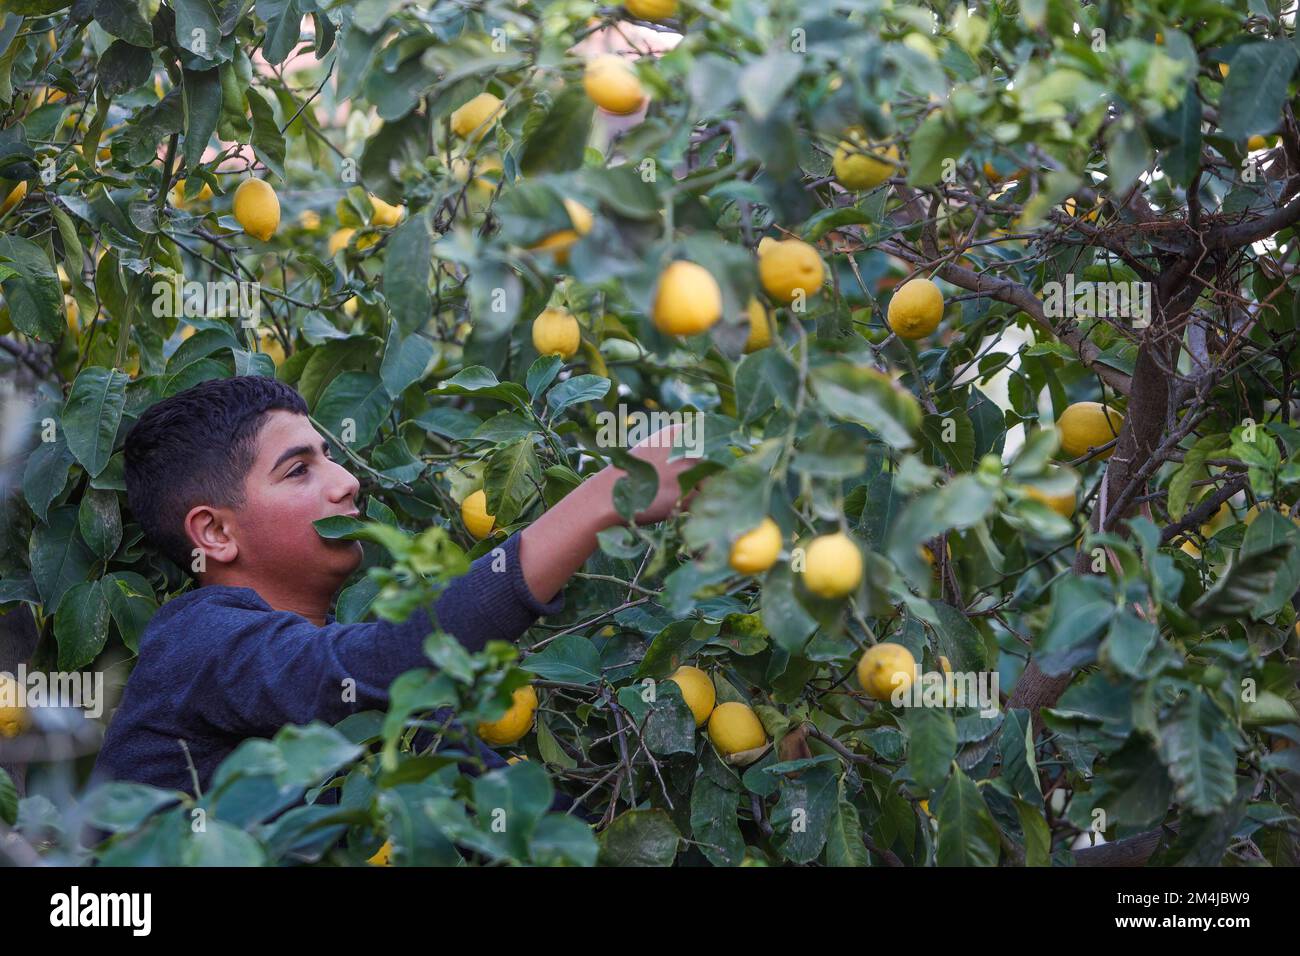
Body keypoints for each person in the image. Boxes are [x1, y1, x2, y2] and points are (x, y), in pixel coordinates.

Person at [91, 375, 695, 800]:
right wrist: (603, 498)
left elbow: (524, 825)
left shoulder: (383, 707)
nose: (348, 482)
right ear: (215, 532)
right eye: (299, 469)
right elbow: (391, 658)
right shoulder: (194, 639)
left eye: (330, 458)